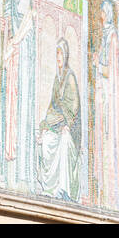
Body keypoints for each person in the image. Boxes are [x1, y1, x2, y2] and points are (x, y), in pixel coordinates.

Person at [0, 0, 36, 191]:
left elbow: (25, 23)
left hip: (21, 57)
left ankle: (21, 167)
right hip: (12, 55)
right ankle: (7, 160)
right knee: (9, 106)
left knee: (19, 107)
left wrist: (12, 44)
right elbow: (7, 22)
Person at [37, 37, 81, 202]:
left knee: (64, 141)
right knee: (47, 139)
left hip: (69, 127)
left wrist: (68, 125)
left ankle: (63, 189)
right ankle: (49, 188)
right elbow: (52, 105)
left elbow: (74, 105)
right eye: (56, 54)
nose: (58, 58)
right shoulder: (57, 79)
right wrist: (44, 126)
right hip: (57, 123)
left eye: (60, 54)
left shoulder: (70, 77)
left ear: (66, 55)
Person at [92, 0, 119, 209]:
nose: (101, 16)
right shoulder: (105, 37)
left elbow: (111, 71)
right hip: (101, 95)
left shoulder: (111, 38)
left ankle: (110, 191)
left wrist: (97, 64)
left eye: (102, 13)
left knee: (107, 137)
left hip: (108, 98)